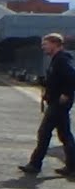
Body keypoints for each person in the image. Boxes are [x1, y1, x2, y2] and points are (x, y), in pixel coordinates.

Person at [19, 33, 75, 175]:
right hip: (56, 101)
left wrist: (66, 94)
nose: (43, 47)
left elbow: (71, 77)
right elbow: (58, 79)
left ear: (55, 44)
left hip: (58, 103)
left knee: (44, 133)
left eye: (45, 44)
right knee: (65, 135)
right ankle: (72, 167)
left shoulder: (62, 59)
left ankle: (35, 164)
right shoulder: (57, 59)